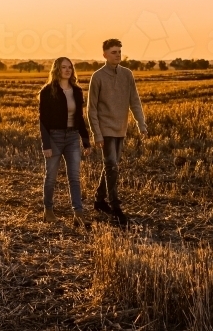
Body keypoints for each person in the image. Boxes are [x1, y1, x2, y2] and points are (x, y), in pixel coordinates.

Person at [87, 38, 147, 225]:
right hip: (105, 130)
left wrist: (141, 124)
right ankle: (115, 207)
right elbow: (92, 108)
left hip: (121, 128)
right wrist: (96, 133)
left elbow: (134, 101)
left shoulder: (127, 75)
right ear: (104, 54)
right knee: (112, 166)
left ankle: (98, 200)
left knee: (110, 168)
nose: (118, 55)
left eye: (119, 52)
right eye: (114, 52)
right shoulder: (97, 77)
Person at [39, 56, 91, 224]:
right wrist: (46, 145)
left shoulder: (76, 91)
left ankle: (78, 213)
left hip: (72, 137)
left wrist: (86, 141)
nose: (67, 70)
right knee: (51, 177)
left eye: (70, 67)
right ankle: (48, 210)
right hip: (54, 137)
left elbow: (80, 118)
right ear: (57, 70)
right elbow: (43, 120)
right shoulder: (47, 91)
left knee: (74, 177)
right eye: (63, 67)